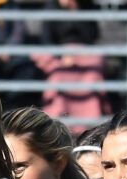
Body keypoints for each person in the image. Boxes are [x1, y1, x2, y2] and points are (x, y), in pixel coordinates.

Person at [29, 0, 109, 129]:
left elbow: (91, 36)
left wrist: (75, 10)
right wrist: (60, 55)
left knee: (93, 73)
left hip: (84, 54)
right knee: (58, 76)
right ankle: (59, 118)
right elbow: (46, 39)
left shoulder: (86, 6)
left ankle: (90, 120)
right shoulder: (50, 7)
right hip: (58, 54)